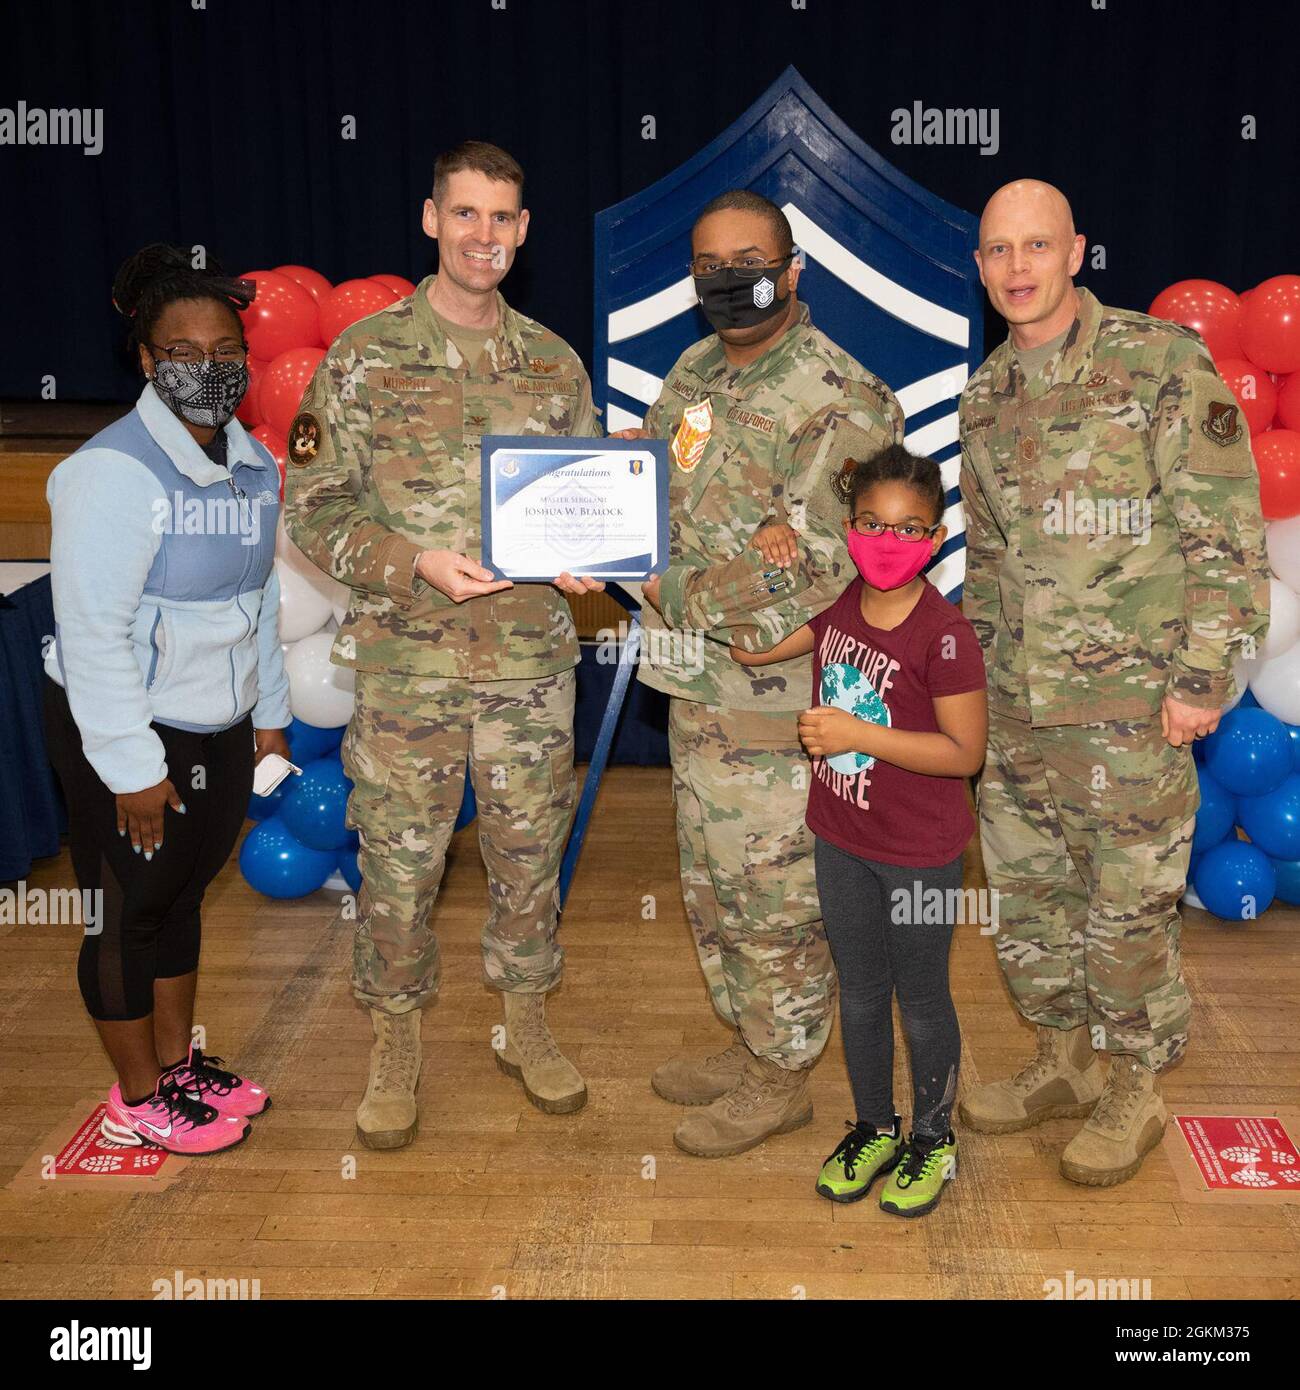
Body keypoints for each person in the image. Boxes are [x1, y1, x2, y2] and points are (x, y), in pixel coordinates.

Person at [283, 141, 603, 1150]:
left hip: (526, 665)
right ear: (431, 220)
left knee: (526, 852)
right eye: (465, 215)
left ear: (524, 230)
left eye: (502, 219)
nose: (484, 237)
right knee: (399, 861)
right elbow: (312, 507)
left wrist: (585, 559)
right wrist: (411, 560)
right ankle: (395, 1037)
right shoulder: (365, 355)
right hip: (407, 659)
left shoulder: (553, 361)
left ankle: (527, 1020)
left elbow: (582, 501)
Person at [957, 180, 1270, 1185]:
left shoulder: (1158, 361)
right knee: (1031, 897)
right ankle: (1063, 1057)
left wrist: (1202, 677)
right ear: (979, 265)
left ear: (1077, 251)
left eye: (1036, 245)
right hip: (1017, 707)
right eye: (998, 250)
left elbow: (1225, 533)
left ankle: (1135, 1080)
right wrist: (969, 683)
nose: (1016, 267)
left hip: (1136, 707)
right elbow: (989, 563)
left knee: (1127, 908)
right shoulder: (985, 393)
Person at [617, 189, 904, 1158]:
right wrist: (611, 503)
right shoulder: (694, 372)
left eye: (748, 258)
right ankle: (754, 1042)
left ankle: (783, 1074)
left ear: (792, 269)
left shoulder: (839, 397)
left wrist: (669, 581)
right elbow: (665, 498)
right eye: (708, 266)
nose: (728, 278)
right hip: (700, 690)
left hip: (780, 702)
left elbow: (822, 572)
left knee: (775, 896)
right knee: (714, 885)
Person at [43, 243, 290, 1155]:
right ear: (148, 363)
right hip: (126, 730)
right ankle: (135, 1094)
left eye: (227, 351)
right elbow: (92, 634)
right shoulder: (112, 474)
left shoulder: (252, 462)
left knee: (181, 899)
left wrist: (268, 713)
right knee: (125, 911)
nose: (209, 370)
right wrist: (132, 769)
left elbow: (260, 598)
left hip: (218, 723)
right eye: (182, 353)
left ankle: (179, 1066)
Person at [732, 445, 986, 1215]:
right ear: (848, 529)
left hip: (924, 857)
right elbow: (771, 642)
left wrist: (854, 733)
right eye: (872, 524)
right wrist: (744, 625)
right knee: (864, 994)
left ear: (935, 540)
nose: (887, 541)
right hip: (842, 840)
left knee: (924, 999)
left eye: (908, 529)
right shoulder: (845, 599)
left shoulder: (946, 636)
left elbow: (964, 754)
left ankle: (934, 1139)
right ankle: (875, 1124)